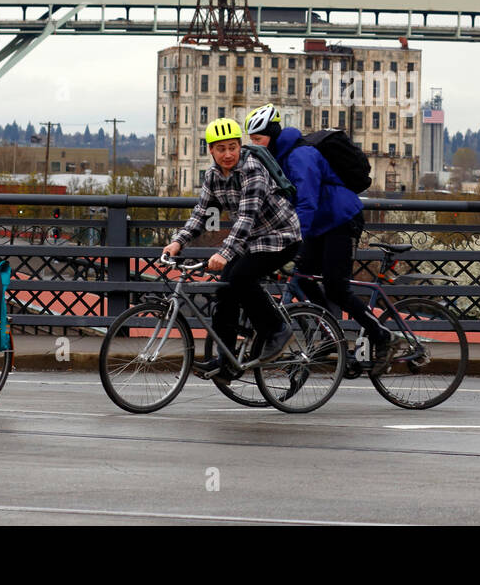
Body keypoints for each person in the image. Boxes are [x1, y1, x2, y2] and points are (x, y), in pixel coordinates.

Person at [244, 104, 394, 369]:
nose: (255, 145)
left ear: (273, 135)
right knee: (303, 278)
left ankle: (381, 335)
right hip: (319, 226)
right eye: (252, 140)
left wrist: (292, 242)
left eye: (258, 139)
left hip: (340, 220)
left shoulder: (301, 156)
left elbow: (306, 203)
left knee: (336, 287)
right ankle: (331, 334)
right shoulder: (278, 158)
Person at [162, 117, 301, 382]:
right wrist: (178, 241)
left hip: (280, 237)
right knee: (225, 292)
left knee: (240, 278)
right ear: (211, 151)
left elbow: (246, 219)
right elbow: (201, 213)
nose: (228, 154)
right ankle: (227, 362)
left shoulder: (252, 169)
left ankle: (277, 330)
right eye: (221, 149)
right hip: (251, 241)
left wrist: (224, 254)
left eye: (232, 147)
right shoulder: (213, 175)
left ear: (240, 146)